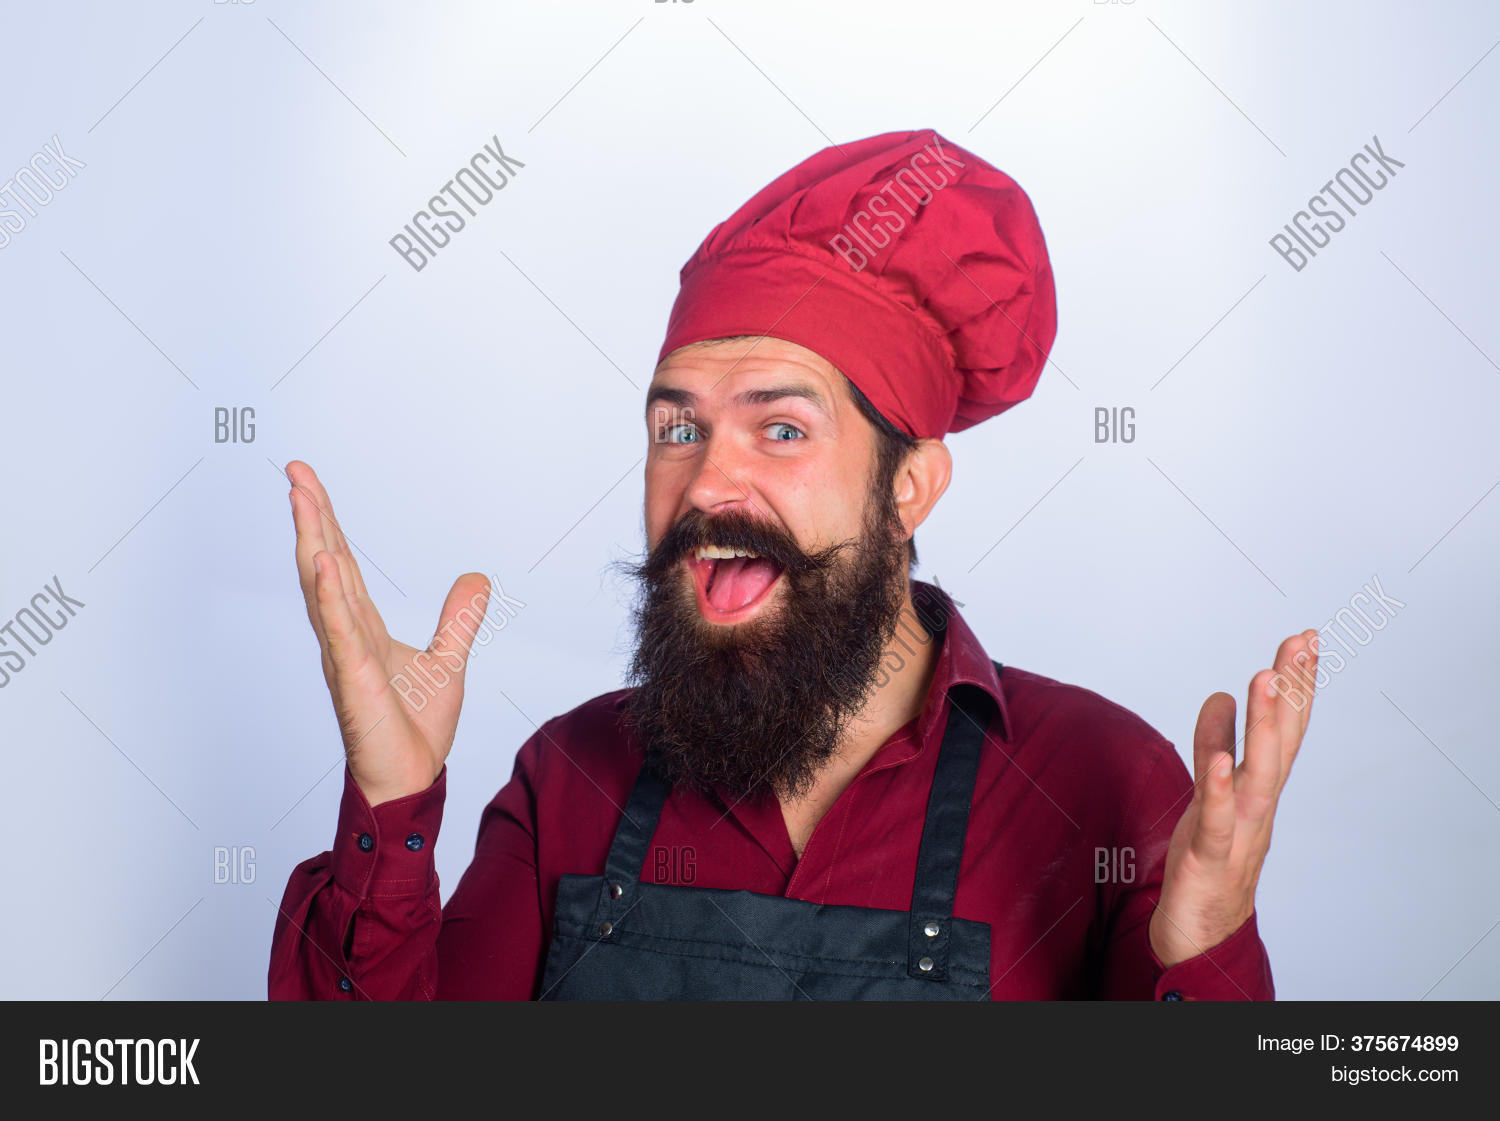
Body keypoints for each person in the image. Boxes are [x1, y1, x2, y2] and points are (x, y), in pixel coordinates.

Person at [269, 129, 1318, 1000]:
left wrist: (1207, 950)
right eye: (677, 431)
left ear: (909, 487)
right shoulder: (568, 781)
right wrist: (390, 802)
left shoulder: (1102, 784)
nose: (709, 482)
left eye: (780, 430)